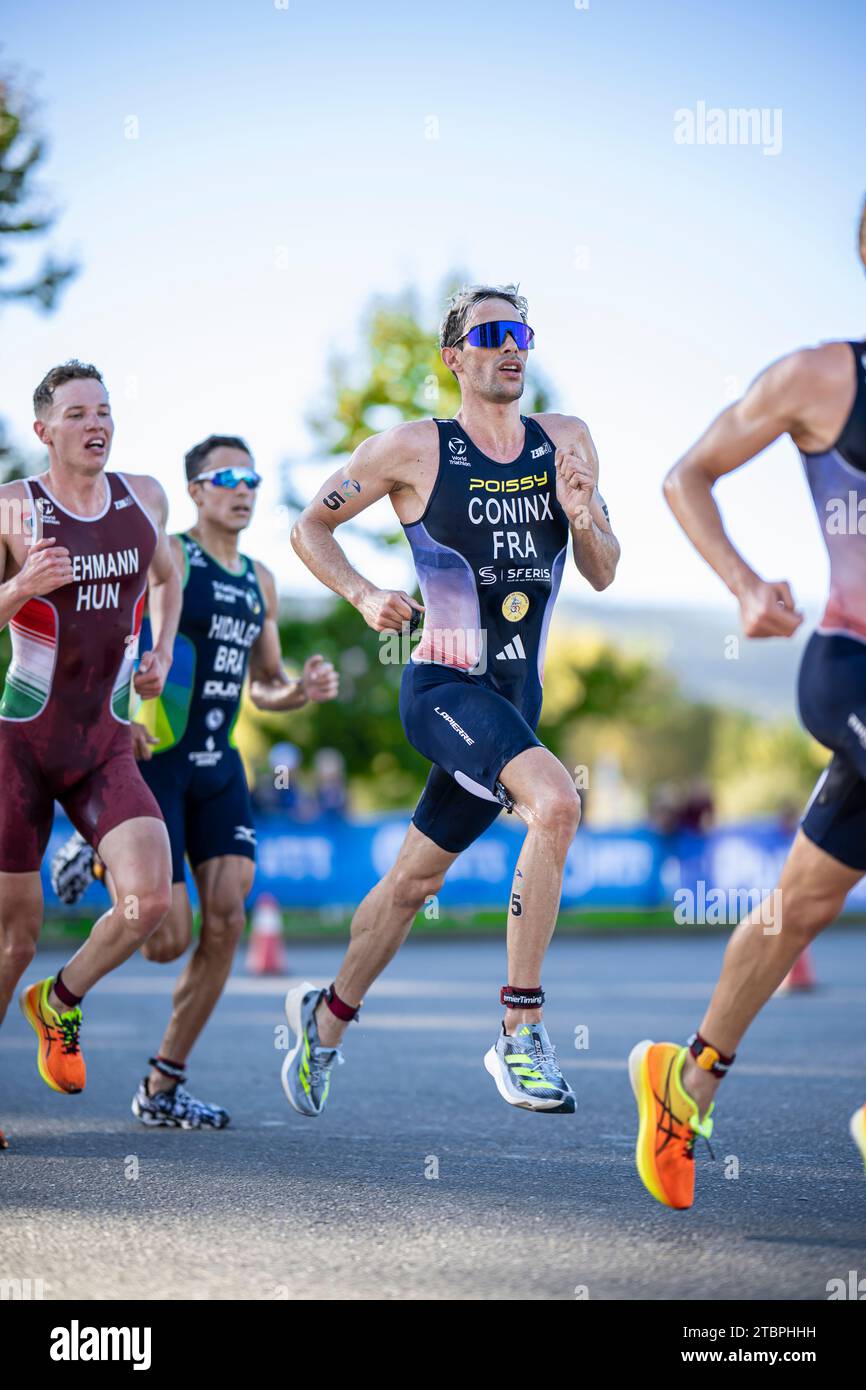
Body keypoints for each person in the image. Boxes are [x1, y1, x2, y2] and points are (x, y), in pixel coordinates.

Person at [284, 283, 619, 1117]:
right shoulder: (411, 449)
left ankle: (322, 1024)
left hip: (513, 703)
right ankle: (521, 1034)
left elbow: (606, 568)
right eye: (492, 333)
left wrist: (581, 517)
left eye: (523, 333)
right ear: (455, 357)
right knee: (557, 801)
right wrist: (364, 596)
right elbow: (306, 528)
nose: (512, 347)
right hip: (441, 687)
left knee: (409, 885)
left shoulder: (567, 440)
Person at [630, 200, 866, 1208]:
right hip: (850, 663)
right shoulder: (822, 374)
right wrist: (739, 583)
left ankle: (681, 1083)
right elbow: (685, 475)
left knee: (797, 906)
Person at [52, 435, 338, 1128]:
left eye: (253, 477)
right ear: (197, 491)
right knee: (164, 940)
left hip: (220, 765)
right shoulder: (170, 556)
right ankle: (97, 855)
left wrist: (300, 689)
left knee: (231, 918)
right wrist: (123, 715)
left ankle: (162, 1087)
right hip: (156, 760)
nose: (244, 489)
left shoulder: (261, 580)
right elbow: (106, 639)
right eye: (229, 477)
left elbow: (264, 686)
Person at [0, 360, 179, 1145]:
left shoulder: (145, 498)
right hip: (22, 745)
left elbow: (167, 579)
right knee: (15, 938)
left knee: (150, 901)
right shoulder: (13, 510)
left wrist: (160, 654)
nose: (95, 423)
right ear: (44, 431)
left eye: (103, 410)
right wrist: (20, 586)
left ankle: (62, 1001)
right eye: (76, 414)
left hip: (104, 741)